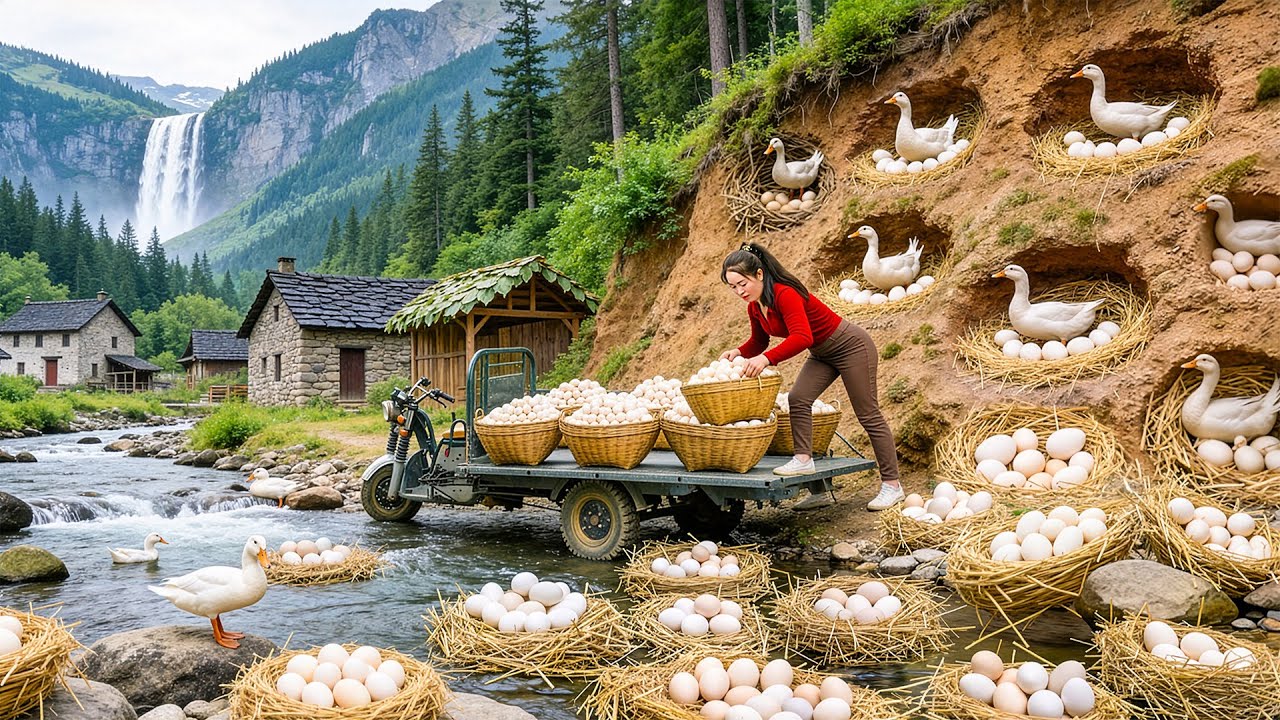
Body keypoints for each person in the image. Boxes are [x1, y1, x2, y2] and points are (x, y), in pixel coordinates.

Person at [719, 242, 903, 511]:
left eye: (742, 283)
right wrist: (738, 352)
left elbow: (802, 337)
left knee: (868, 415)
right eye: (733, 287)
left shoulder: (785, 293)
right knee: (799, 398)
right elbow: (758, 342)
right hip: (823, 353)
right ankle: (804, 459)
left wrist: (767, 359)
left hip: (851, 347)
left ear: (759, 274)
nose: (739, 291)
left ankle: (892, 485)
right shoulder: (756, 307)